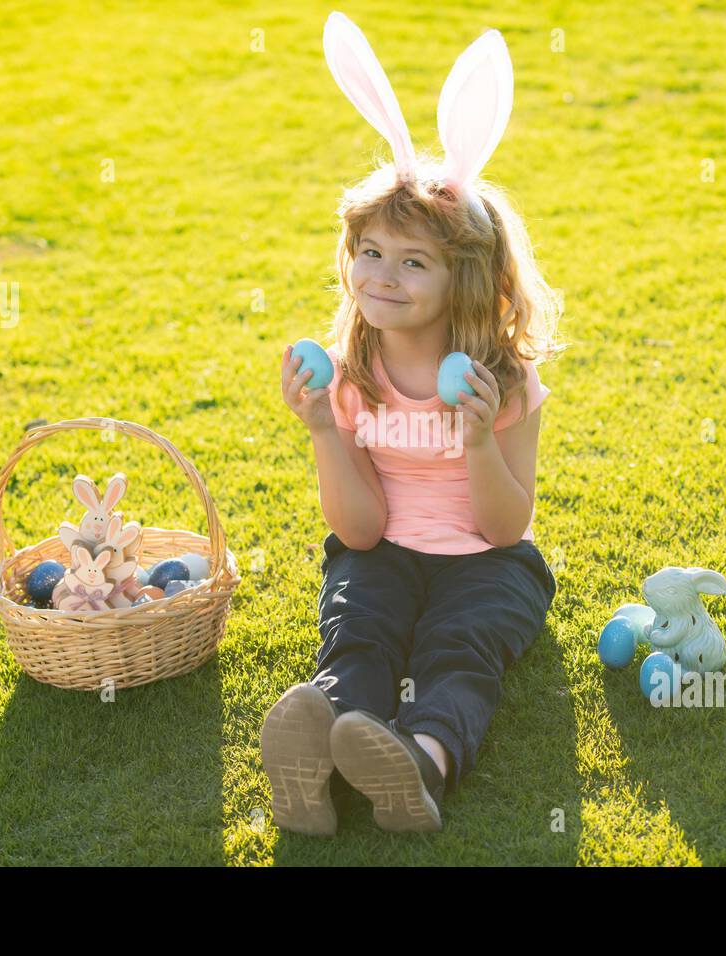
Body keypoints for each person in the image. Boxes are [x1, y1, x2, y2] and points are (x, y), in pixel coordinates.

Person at [261, 12, 567, 835]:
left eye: (413, 260)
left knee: (458, 651)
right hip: (386, 553)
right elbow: (358, 536)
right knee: (360, 631)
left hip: (488, 567)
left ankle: (418, 765)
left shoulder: (503, 383)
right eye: (369, 251)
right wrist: (326, 427)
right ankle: (315, 758)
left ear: (464, 279)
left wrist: (474, 441)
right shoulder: (354, 377)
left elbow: (506, 528)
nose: (382, 276)